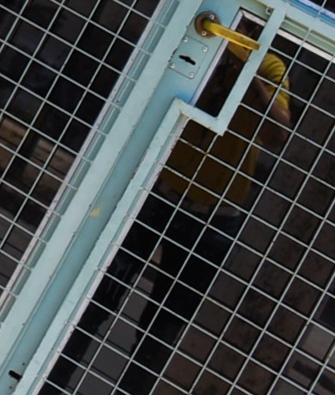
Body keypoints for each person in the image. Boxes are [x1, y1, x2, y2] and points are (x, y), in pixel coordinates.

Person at [47, 50, 294, 395]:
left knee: (160, 331)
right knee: (97, 299)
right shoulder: (203, 43)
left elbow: (277, 133)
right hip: (158, 195)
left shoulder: (268, 66)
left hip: (213, 218)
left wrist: (247, 72)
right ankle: (46, 386)